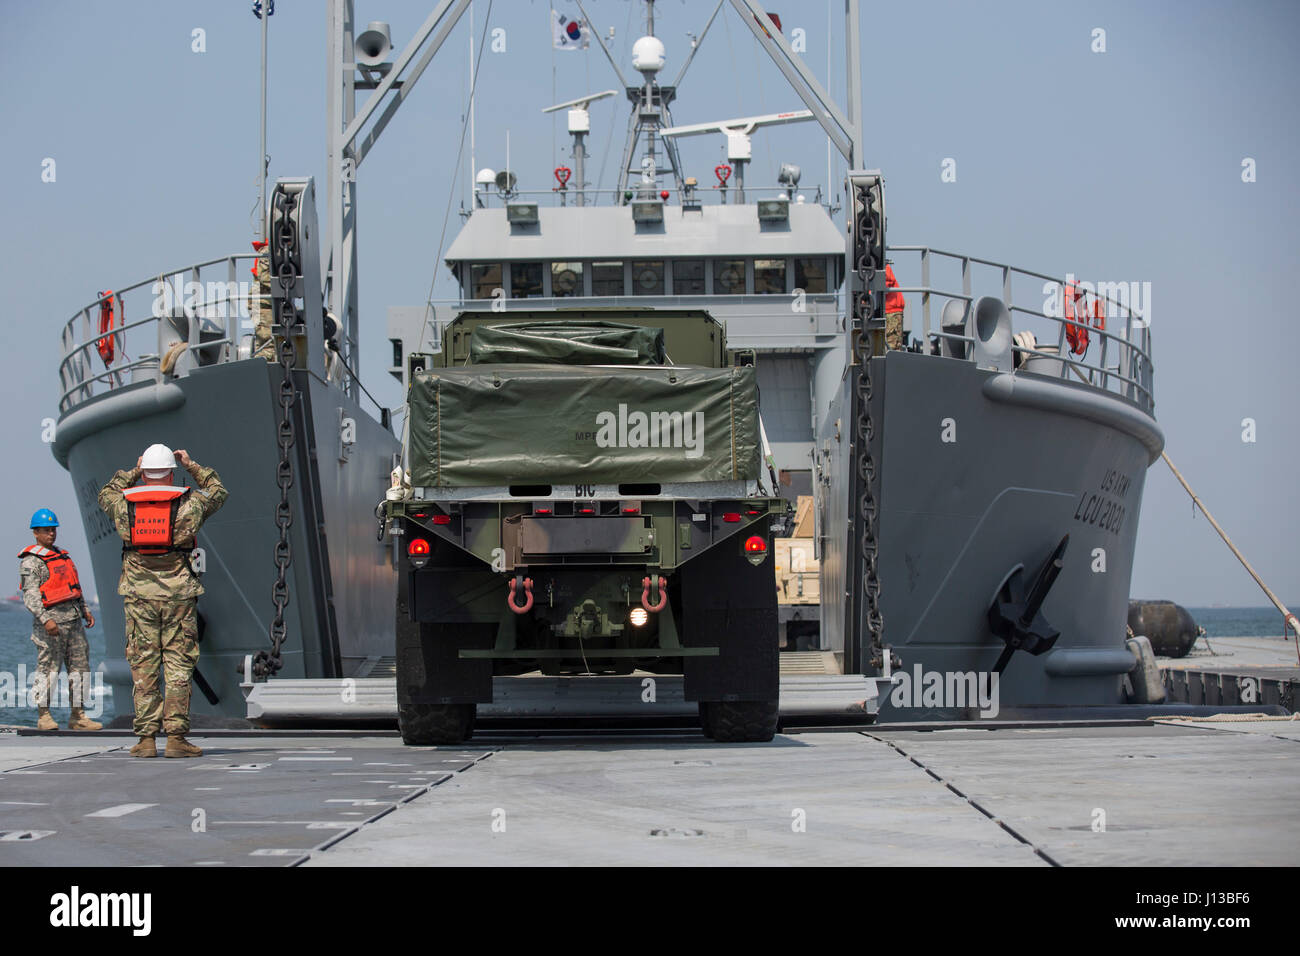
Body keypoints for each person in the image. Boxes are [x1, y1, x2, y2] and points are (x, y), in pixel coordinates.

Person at [98, 444, 228, 758]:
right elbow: (218, 491)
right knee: (178, 667)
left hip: (138, 597)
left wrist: (132, 470)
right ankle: (176, 739)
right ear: (172, 471)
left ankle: (145, 740)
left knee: (144, 667)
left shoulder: (123, 506)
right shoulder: (190, 505)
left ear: (144, 474)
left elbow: (106, 492)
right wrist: (192, 464)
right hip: (179, 597)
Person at [19, 509, 100, 731]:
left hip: (73, 621)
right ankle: (43, 715)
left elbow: (74, 586)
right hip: (51, 624)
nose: (51, 534)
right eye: (46, 530)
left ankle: (78, 715)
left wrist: (85, 609)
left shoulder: (63, 556)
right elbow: (30, 596)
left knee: (80, 668)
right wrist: (46, 620)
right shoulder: (31, 562)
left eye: (53, 529)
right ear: (35, 533)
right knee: (48, 669)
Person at [884, 262, 906, 350]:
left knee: (892, 347)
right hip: (887, 311)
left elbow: (885, 283)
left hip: (892, 313)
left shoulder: (884, 267)